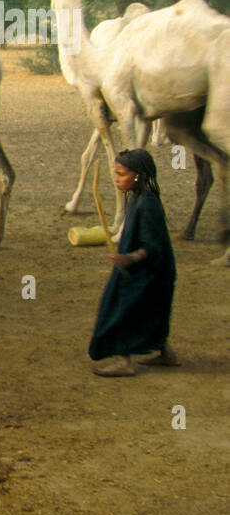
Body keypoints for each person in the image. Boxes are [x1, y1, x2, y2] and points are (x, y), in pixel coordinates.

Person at [89, 148, 180, 377]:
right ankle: (166, 353)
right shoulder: (138, 197)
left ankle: (125, 361)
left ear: (138, 175)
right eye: (116, 173)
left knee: (120, 310)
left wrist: (128, 258)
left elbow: (153, 246)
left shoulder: (147, 203)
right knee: (151, 312)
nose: (116, 179)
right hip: (148, 270)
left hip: (149, 271)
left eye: (122, 174)